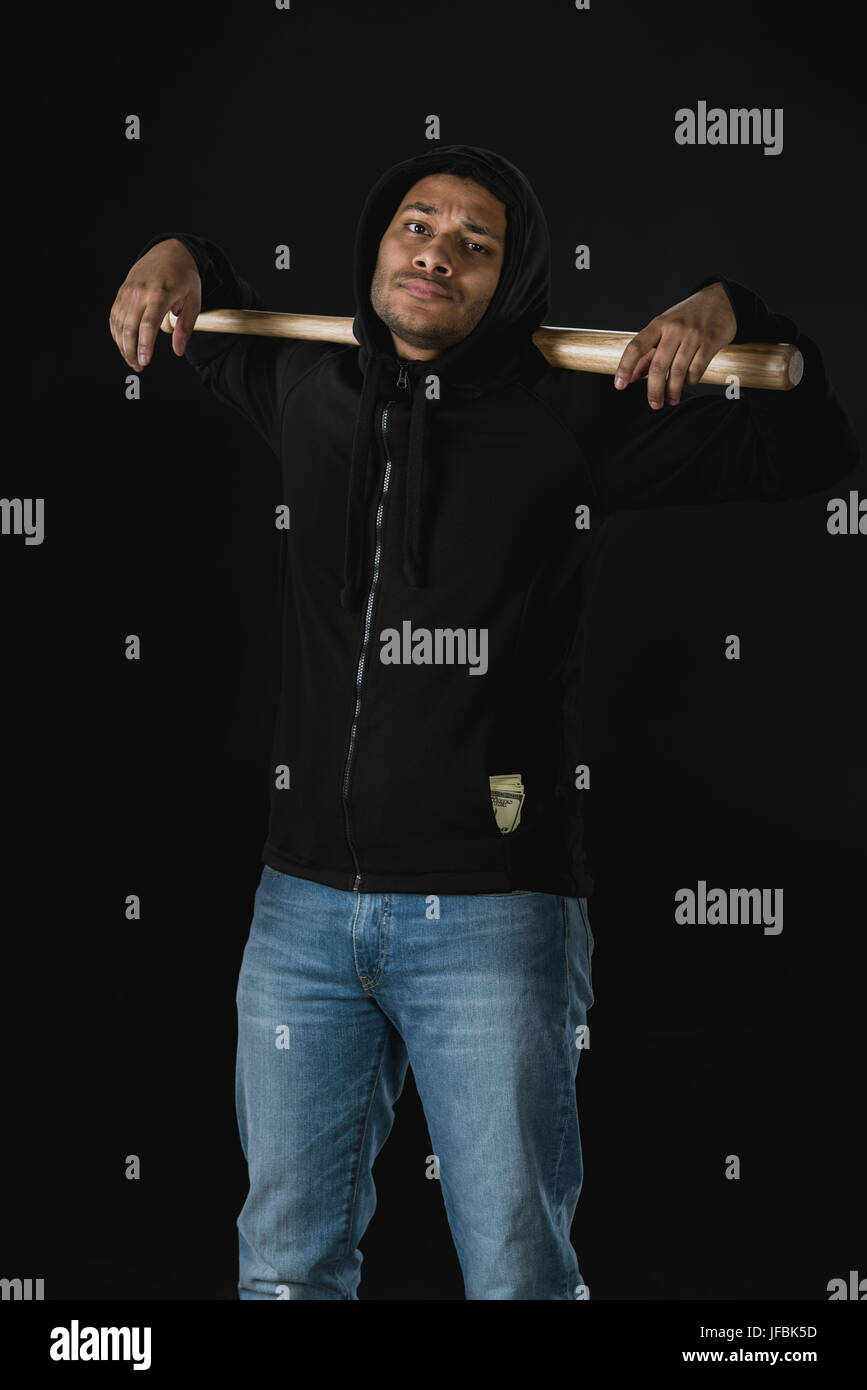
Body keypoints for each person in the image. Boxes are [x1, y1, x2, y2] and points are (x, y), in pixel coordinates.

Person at [109, 143, 859, 1300]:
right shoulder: (306, 386)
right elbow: (208, 311)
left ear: (507, 283)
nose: (437, 251)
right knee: (284, 1266)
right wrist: (179, 254)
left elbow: (806, 450)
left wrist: (742, 311)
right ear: (376, 249)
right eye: (418, 224)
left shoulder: (570, 417)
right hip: (300, 913)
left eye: (475, 243)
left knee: (516, 1273)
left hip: (491, 916)